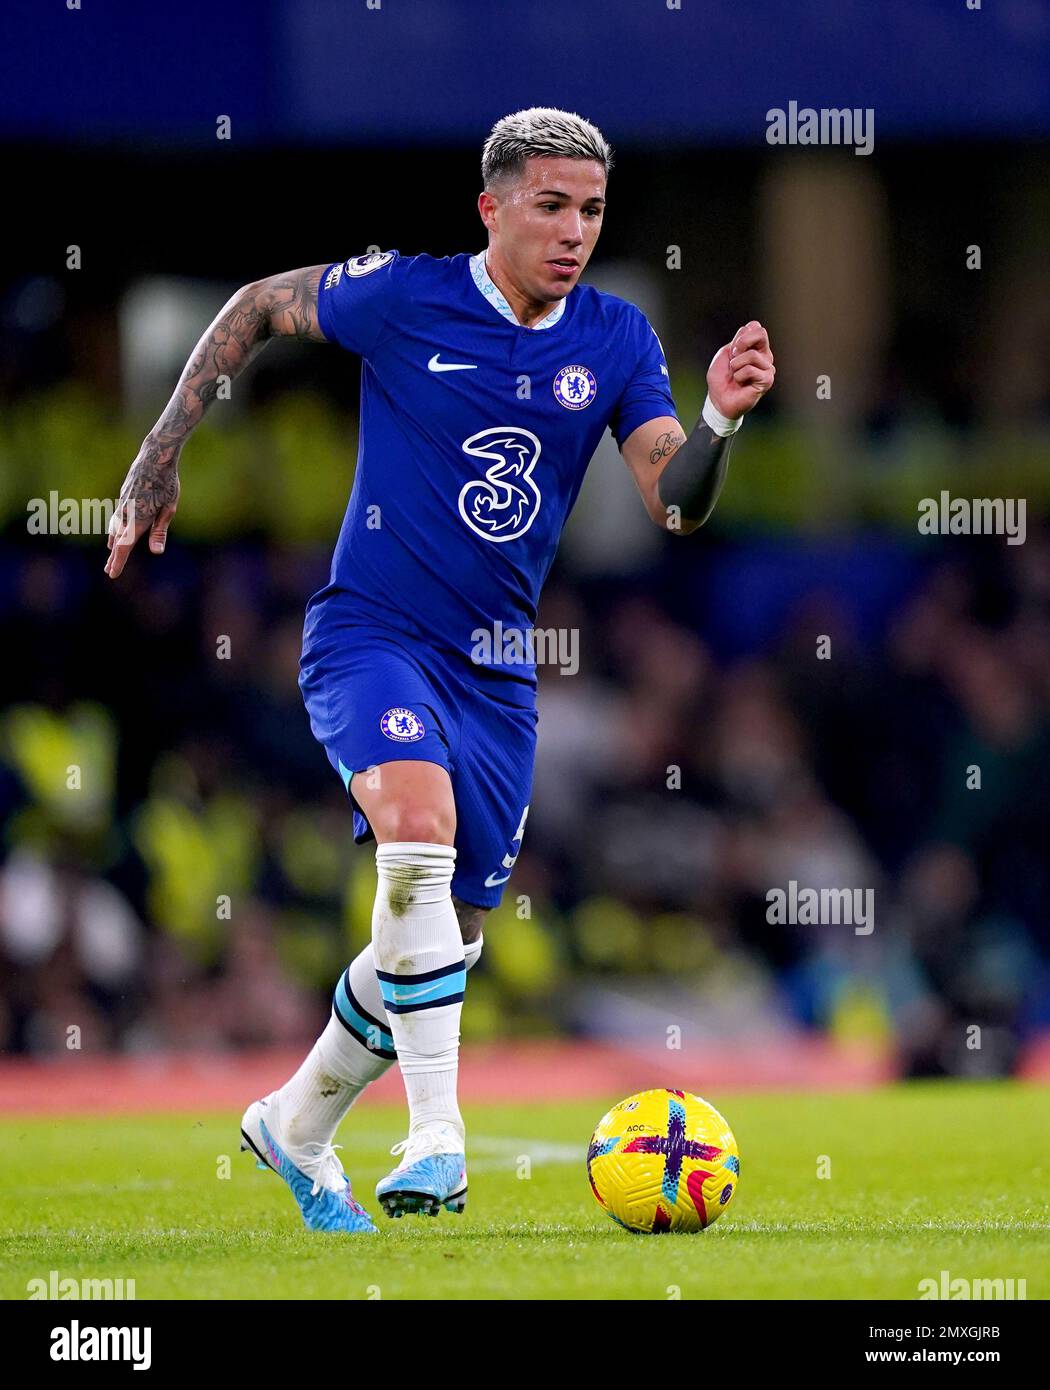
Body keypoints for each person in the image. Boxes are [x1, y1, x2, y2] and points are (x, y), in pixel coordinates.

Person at [106, 107, 775, 1233]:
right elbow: (257, 305)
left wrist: (715, 418)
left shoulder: (611, 339)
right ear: (493, 208)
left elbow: (677, 502)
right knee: (416, 827)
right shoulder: (405, 295)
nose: (574, 231)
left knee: (440, 943)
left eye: (592, 210)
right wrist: (158, 452)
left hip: (499, 676)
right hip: (372, 634)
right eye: (551, 205)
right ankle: (435, 1137)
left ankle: (294, 1124)